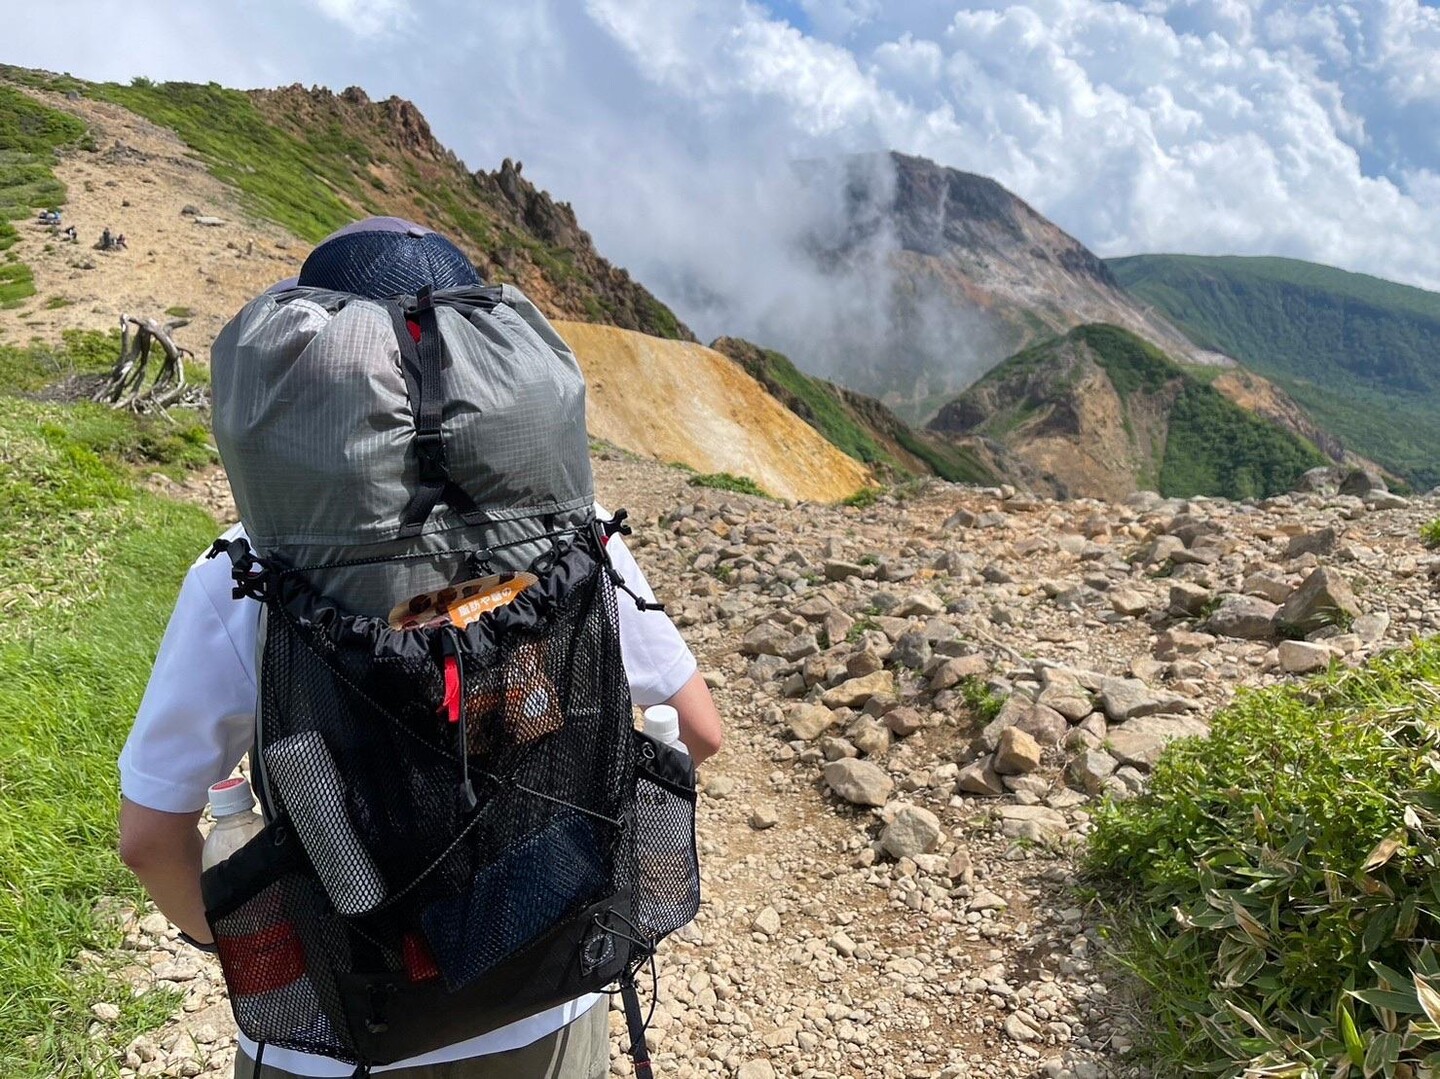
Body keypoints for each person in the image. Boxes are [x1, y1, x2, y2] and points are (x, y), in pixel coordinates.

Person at [117, 218, 723, 1079]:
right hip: (546, 998)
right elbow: (695, 731)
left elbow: (149, 836)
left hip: (347, 1026)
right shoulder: (581, 539)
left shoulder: (246, 570)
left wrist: (243, 942)